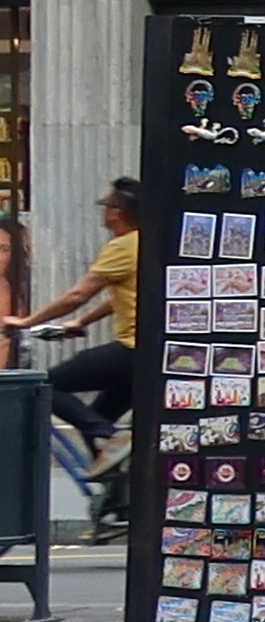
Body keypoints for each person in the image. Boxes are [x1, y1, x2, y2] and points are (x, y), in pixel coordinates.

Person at [12, 179, 138, 541]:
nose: (103, 212)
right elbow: (119, 295)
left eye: (106, 206)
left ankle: (110, 441)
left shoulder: (121, 246)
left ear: (118, 212)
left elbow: (78, 293)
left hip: (130, 350)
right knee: (96, 420)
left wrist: (27, 322)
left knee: (47, 385)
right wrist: (81, 323)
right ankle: (118, 508)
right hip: (145, 358)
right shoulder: (147, 242)